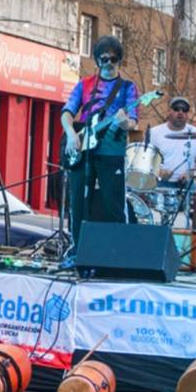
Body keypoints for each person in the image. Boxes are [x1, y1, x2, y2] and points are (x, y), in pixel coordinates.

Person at [60, 35, 139, 265]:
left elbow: (133, 121)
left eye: (113, 58)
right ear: (97, 60)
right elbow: (67, 112)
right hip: (83, 151)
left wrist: (124, 122)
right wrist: (71, 133)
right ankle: (78, 250)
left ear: (120, 60)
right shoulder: (84, 85)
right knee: (78, 203)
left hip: (112, 151)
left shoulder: (127, 88)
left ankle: (119, 252)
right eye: (104, 58)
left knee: (113, 202)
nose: (108, 62)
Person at [147, 97, 196, 185]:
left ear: (188, 114)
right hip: (159, 183)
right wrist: (158, 172)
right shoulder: (154, 133)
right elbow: (145, 160)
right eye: (176, 108)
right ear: (169, 111)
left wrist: (190, 174)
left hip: (186, 185)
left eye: (184, 110)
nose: (180, 112)